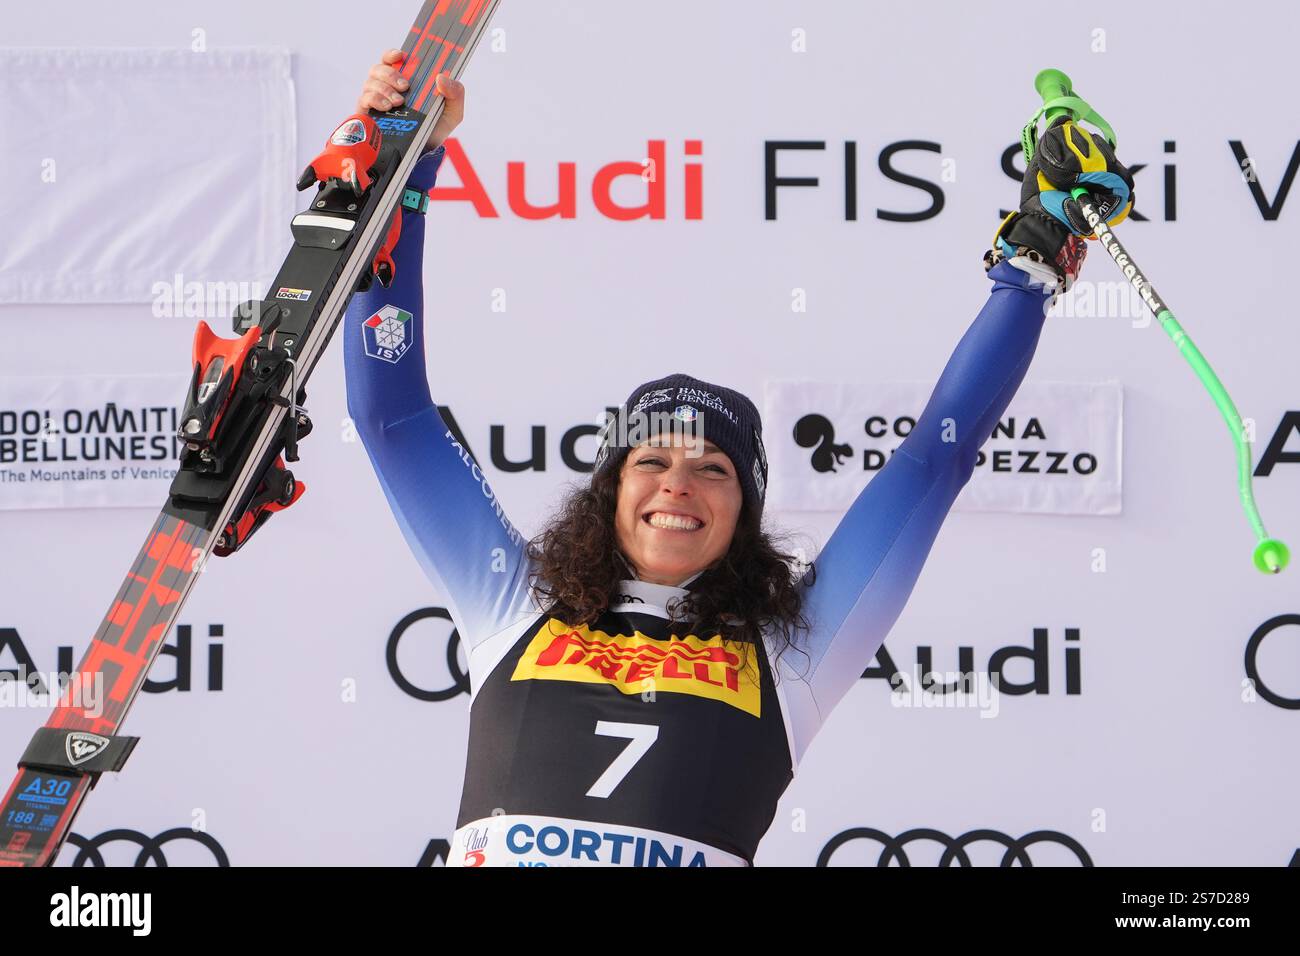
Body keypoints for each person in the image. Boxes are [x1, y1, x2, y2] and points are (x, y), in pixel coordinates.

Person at [343, 52, 1134, 867]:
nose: (678, 483)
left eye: (713, 469)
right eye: (651, 461)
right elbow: (391, 416)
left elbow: (935, 459)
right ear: (609, 492)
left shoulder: (794, 645)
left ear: (745, 513)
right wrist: (401, 176)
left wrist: (1034, 262)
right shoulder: (516, 602)